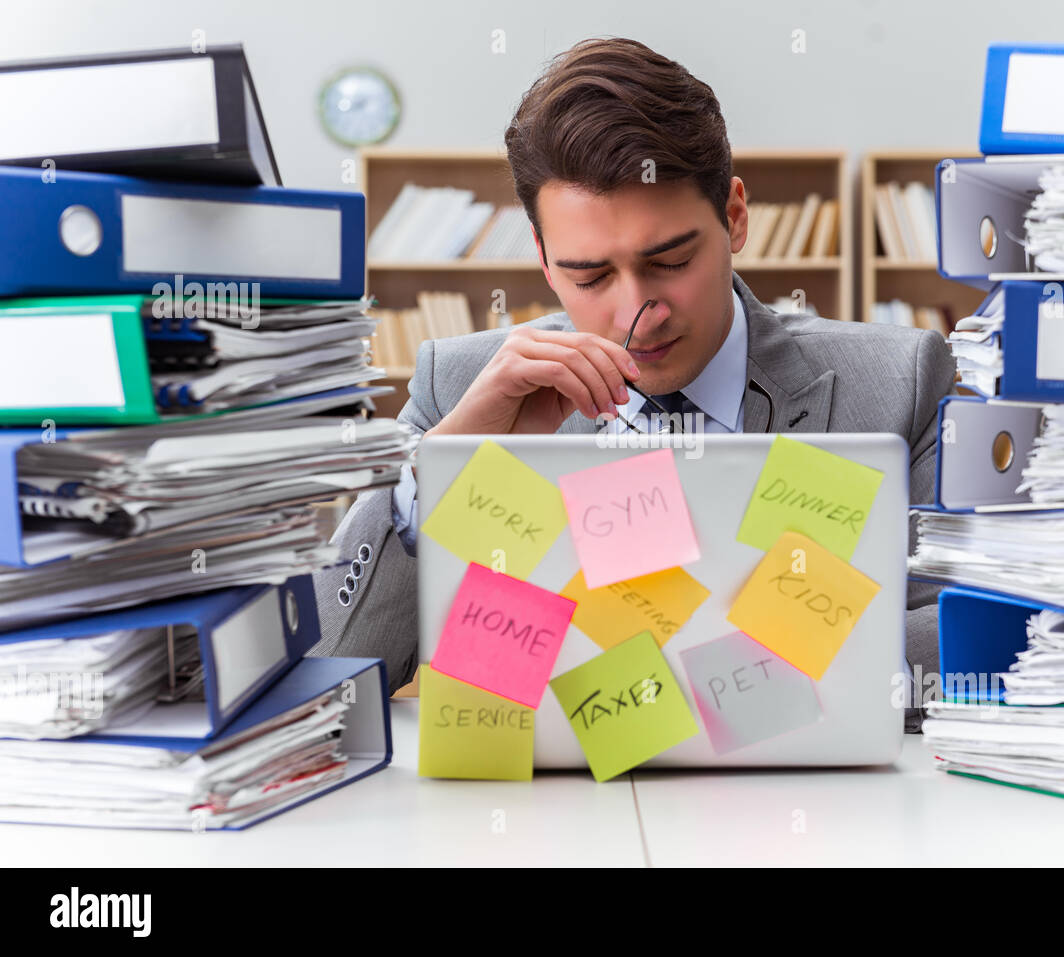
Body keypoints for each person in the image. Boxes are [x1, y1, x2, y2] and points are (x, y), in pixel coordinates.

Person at [308, 36, 956, 731]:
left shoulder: (899, 382)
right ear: (544, 259)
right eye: (590, 276)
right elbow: (329, 681)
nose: (637, 312)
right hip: (549, 824)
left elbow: (959, 640)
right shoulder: (456, 388)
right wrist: (439, 472)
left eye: (671, 260)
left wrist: (686, 690)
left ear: (735, 216)